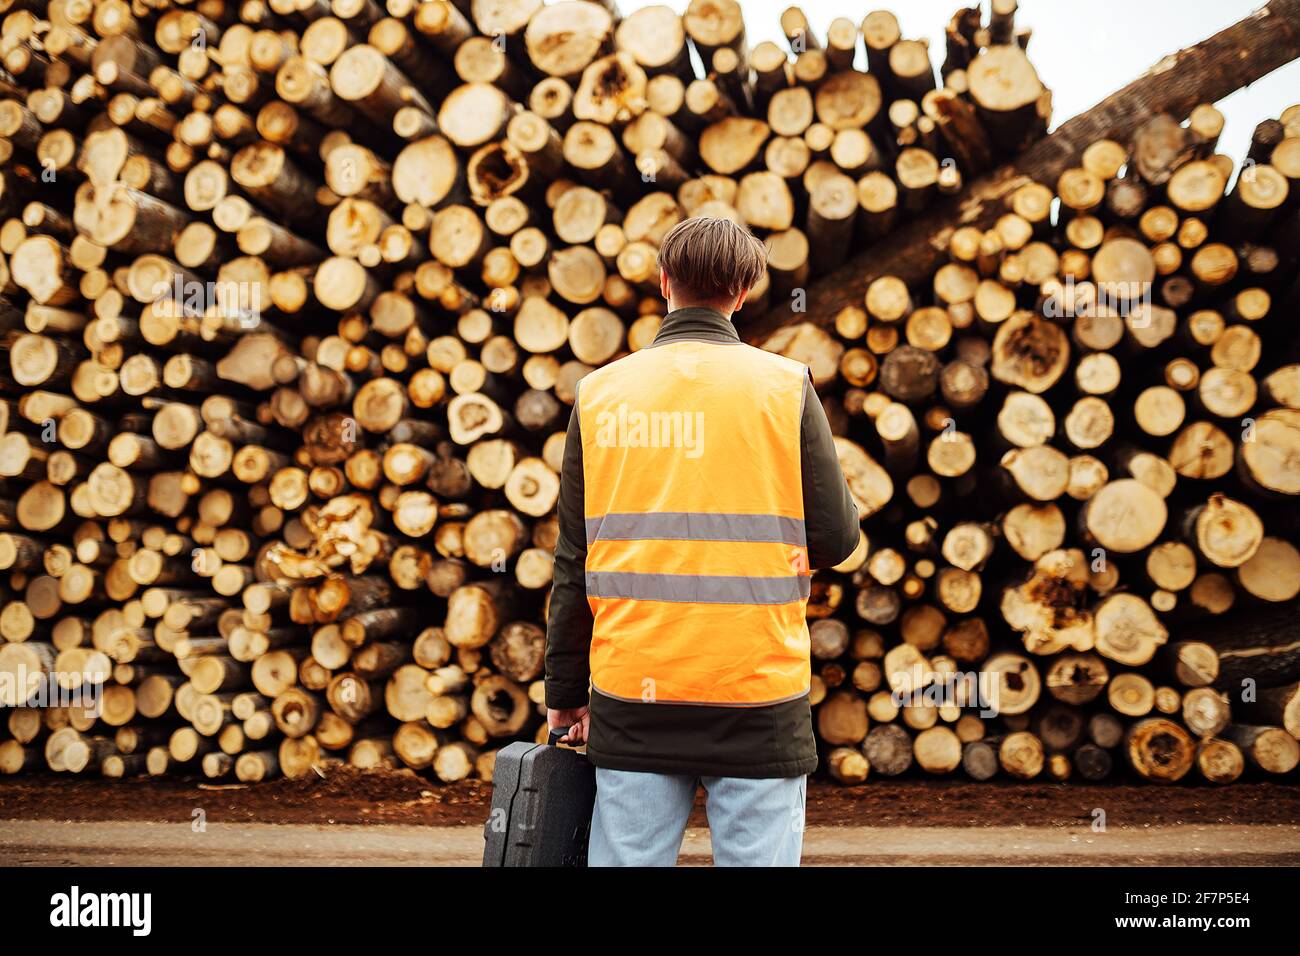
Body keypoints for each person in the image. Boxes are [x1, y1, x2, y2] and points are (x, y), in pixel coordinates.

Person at [544, 216, 859, 866]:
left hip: (636, 692)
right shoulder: (783, 387)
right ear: (742, 292)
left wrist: (564, 694)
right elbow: (837, 537)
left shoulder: (600, 396)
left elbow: (574, 563)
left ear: (664, 282)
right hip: (755, 692)